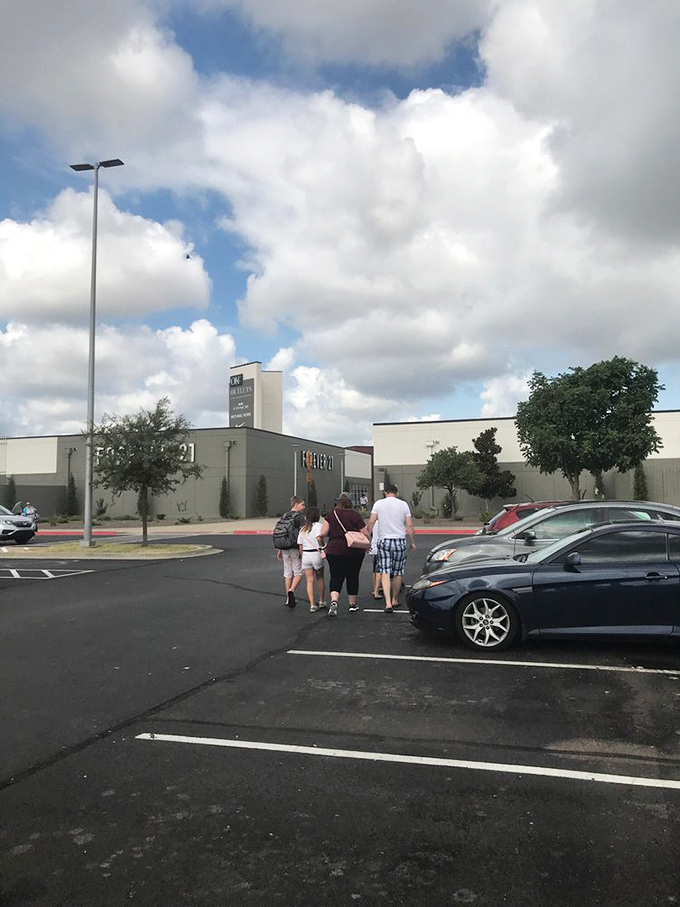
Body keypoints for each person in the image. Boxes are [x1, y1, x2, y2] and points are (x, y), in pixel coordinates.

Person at [365, 484, 415, 613]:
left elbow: (371, 522)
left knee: (385, 571)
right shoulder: (403, 505)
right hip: (399, 540)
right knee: (398, 572)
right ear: (396, 493)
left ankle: (387, 603)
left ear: (385, 492)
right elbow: (409, 525)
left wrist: (367, 539)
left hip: (384, 540)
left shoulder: (378, 504)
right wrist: (412, 542)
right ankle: (394, 599)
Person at [318, 493, 368, 617]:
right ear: (351, 503)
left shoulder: (331, 516)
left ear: (338, 503)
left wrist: (323, 545)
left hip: (334, 549)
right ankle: (352, 604)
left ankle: (334, 601)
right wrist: (367, 545)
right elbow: (365, 532)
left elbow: (322, 534)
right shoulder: (356, 515)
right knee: (353, 575)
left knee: (336, 576)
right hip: (354, 549)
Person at [275, 496, 306, 608]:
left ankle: (288, 599)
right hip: (294, 546)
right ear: (296, 504)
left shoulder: (285, 515)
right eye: (302, 504)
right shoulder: (300, 517)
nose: (304, 506)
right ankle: (291, 590)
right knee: (298, 572)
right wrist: (302, 549)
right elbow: (303, 533)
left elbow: (283, 532)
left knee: (287, 572)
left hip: (284, 547)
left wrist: (280, 550)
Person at [297, 506, 327, 613]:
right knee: (320, 577)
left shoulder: (303, 529)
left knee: (309, 580)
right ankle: (321, 600)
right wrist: (323, 547)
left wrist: (301, 556)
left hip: (306, 555)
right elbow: (319, 538)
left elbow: (300, 546)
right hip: (316, 554)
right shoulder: (318, 526)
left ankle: (312, 604)